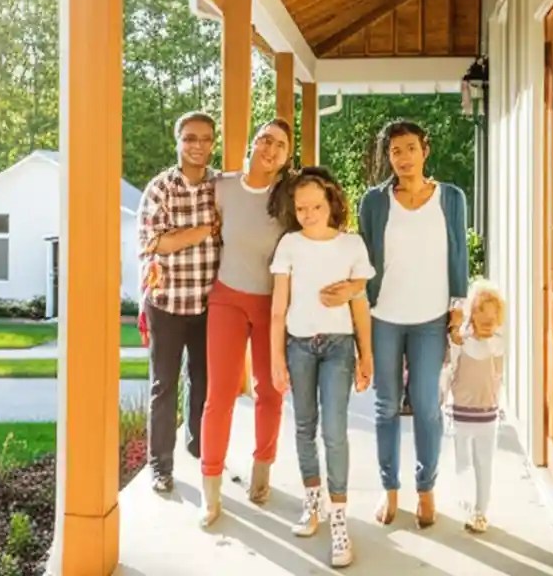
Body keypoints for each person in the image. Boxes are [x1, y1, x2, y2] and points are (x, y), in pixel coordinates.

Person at [357, 120, 469, 528]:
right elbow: (366, 257)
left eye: (409, 148)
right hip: (384, 316)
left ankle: (426, 490)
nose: (402, 158)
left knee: (426, 406)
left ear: (425, 150)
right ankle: (389, 492)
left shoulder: (451, 198)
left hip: (430, 318)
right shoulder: (374, 201)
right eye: (394, 151)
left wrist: (458, 309)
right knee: (385, 407)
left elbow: (458, 257)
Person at [269, 167, 375, 568]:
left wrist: (366, 356)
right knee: (303, 427)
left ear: (332, 201)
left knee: (334, 431)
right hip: (298, 346)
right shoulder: (289, 245)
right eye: (301, 208)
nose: (309, 213)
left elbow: (360, 305)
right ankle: (312, 502)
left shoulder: (352, 245)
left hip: (338, 348)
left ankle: (339, 519)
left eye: (316, 205)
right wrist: (276, 357)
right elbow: (278, 308)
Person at [198, 119, 293, 526]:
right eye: (265, 140)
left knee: (269, 391)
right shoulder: (223, 188)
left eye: (281, 146)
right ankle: (211, 489)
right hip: (227, 297)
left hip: (273, 304)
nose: (271, 149)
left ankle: (262, 471)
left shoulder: (289, 198)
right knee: (218, 395)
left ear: (288, 157)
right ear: (253, 143)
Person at [137, 111, 221, 493]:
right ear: (178, 141)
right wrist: (204, 230)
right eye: (190, 138)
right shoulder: (159, 189)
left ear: (213, 143)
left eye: (205, 138)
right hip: (167, 303)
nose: (198, 145)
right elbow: (157, 243)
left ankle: (199, 446)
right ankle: (161, 466)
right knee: (163, 385)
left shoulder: (221, 187)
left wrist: (181, 234)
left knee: (204, 380)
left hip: (210, 304)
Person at [444, 278, 507, 535]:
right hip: (461, 413)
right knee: (463, 462)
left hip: (487, 415)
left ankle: (480, 511)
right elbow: (453, 360)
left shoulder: (496, 344)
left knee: (484, 463)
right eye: (481, 312)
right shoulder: (463, 342)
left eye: (492, 315)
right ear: (473, 314)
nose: (487, 320)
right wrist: (457, 330)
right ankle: (468, 503)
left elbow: (493, 358)